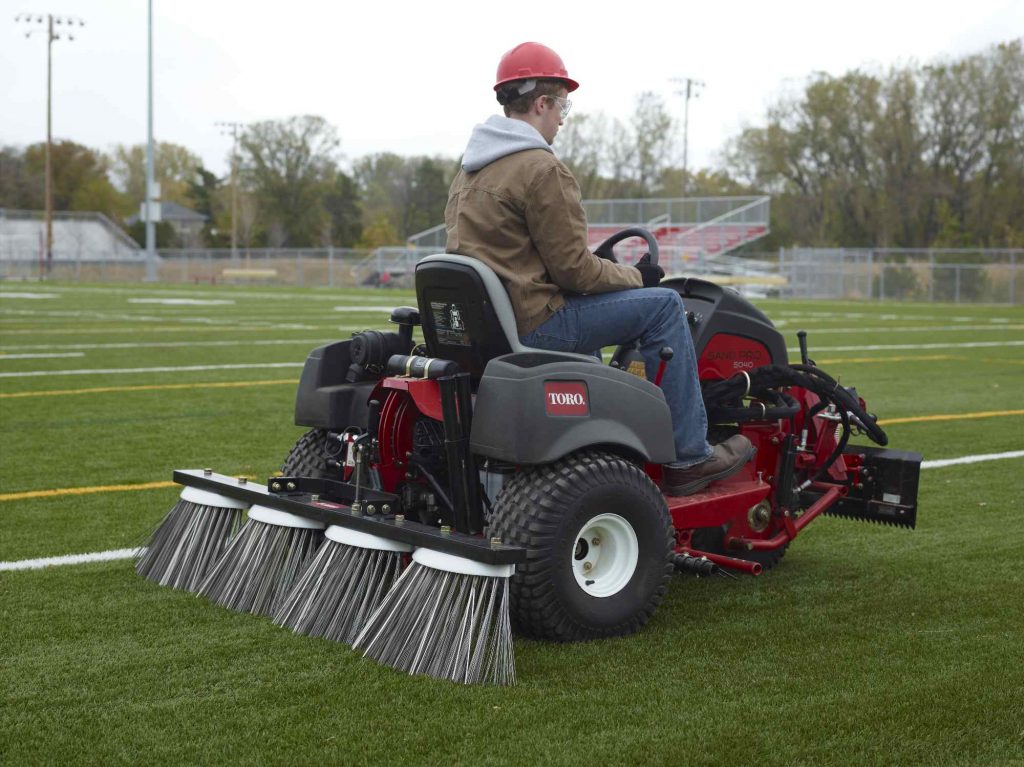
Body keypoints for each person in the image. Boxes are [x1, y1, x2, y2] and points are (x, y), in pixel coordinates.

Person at [444, 41, 754, 496]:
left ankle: (609, 440)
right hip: (536, 326)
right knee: (664, 305)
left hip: (489, 328)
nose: (562, 119)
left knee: (607, 309)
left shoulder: (470, 172)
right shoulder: (541, 168)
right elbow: (575, 273)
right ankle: (690, 456)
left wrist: (599, 270)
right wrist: (637, 276)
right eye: (562, 106)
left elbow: (532, 262)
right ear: (542, 103)